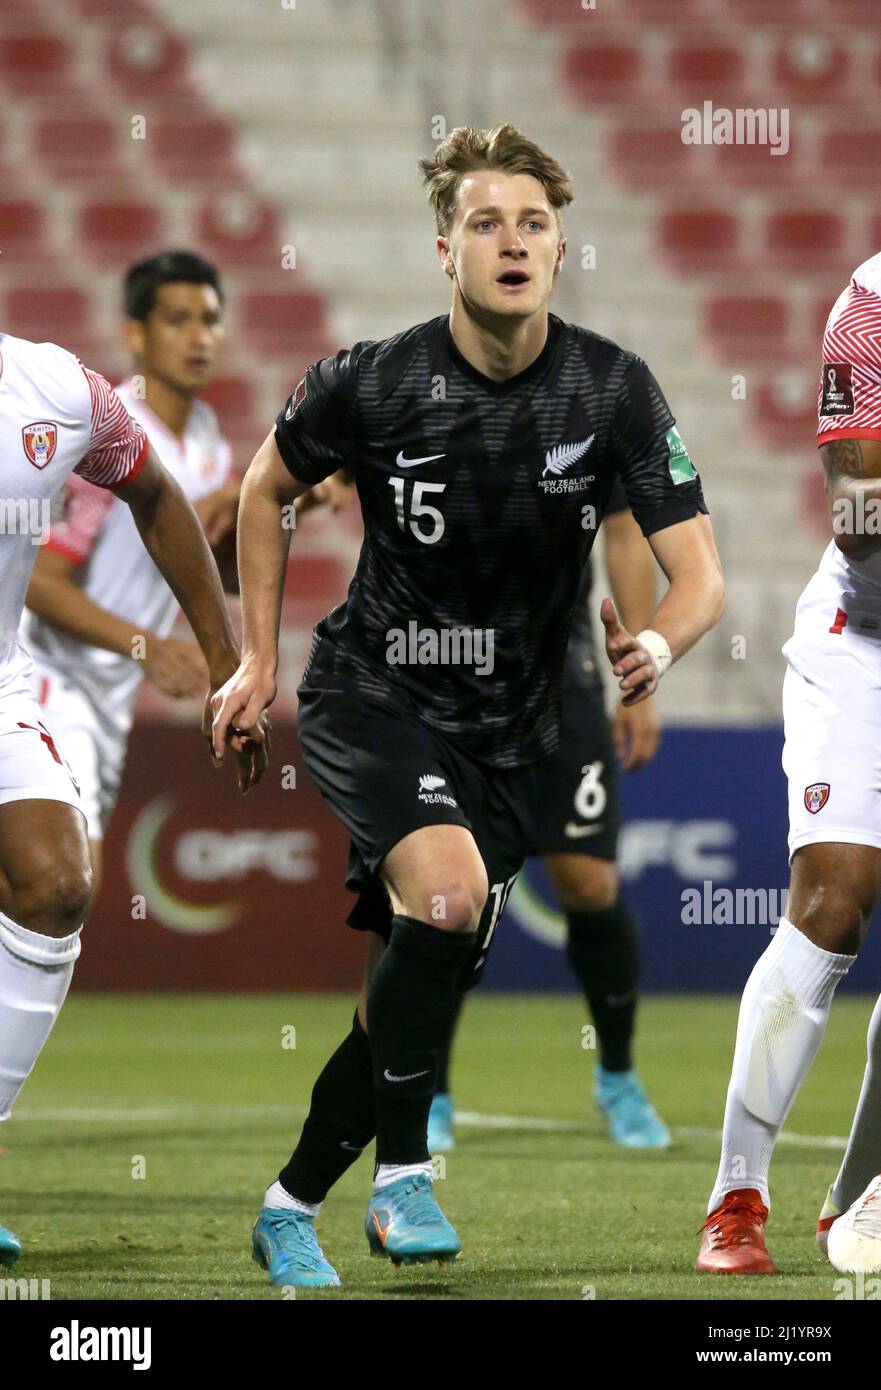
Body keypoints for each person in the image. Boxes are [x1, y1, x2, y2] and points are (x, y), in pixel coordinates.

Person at [212, 123, 723, 1288]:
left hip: (518, 727)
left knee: (415, 965)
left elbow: (700, 578)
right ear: (445, 247)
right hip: (375, 689)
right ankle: (401, 1184)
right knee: (444, 899)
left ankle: (289, 1202)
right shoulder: (372, 379)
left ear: (559, 247)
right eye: (486, 222)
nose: (512, 241)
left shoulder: (611, 388)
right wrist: (254, 662)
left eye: (533, 223)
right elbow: (263, 488)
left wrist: (651, 640)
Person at [0, 328, 267, 1270]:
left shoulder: (63, 392)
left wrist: (229, 659)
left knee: (56, 880)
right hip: (59, 685)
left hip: (4, 688)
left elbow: (152, 495)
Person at [696, 250, 881, 1276]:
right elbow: (859, 514)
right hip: (862, 643)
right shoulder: (869, 309)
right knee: (832, 901)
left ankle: (854, 1198)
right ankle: (735, 1193)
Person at [429, 485, 669, 1153]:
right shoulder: (431, 392)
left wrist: (637, 673)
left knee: (589, 884)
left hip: (566, 675)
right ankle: (430, 1086)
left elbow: (623, 532)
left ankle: (617, 1077)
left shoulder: (588, 395)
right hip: (452, 677)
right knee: (452, 895)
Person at [20, 250, 240, 901]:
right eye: (178, 319)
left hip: (107, 701)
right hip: (51, 682)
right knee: (59, 888)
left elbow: (214, 575)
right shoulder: (107, 436)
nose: (199, 336)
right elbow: (41, 581)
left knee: (54, 900)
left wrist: (268, 506)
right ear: (135, 334)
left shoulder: (206, 441)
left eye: (209, 319)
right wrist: (147, 647)